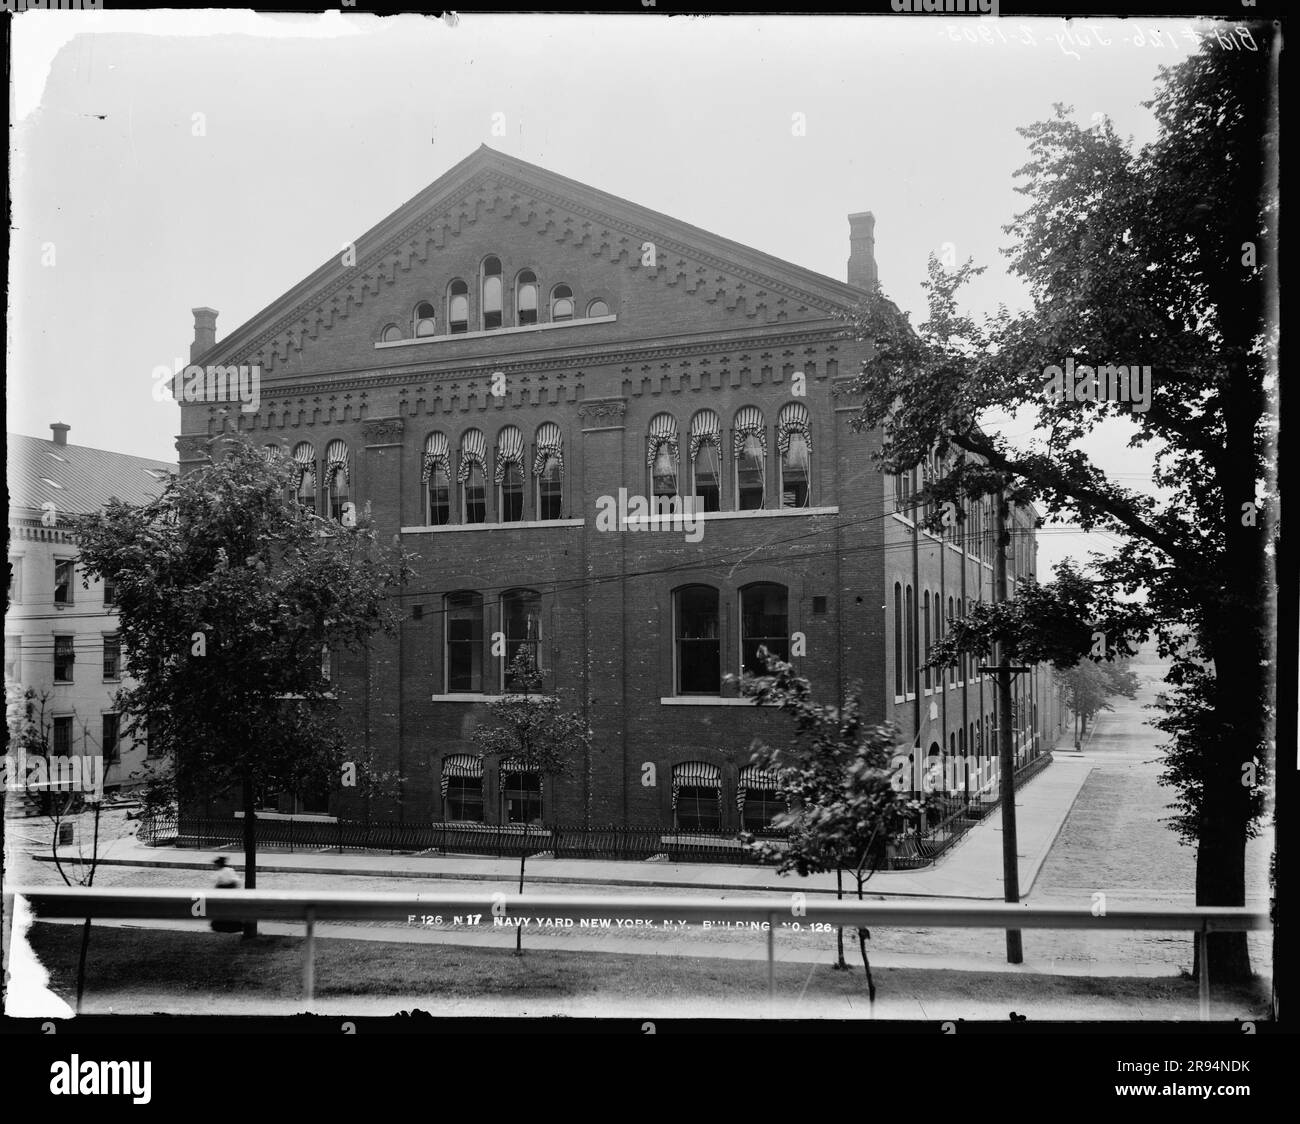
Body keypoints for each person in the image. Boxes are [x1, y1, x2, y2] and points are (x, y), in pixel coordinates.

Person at [210, 855, 243, 933]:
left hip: (223, 891)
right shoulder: (229, 870)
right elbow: (237, 881)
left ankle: (223, 926)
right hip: (230, 891)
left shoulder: (220, 872)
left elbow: (215, 882)